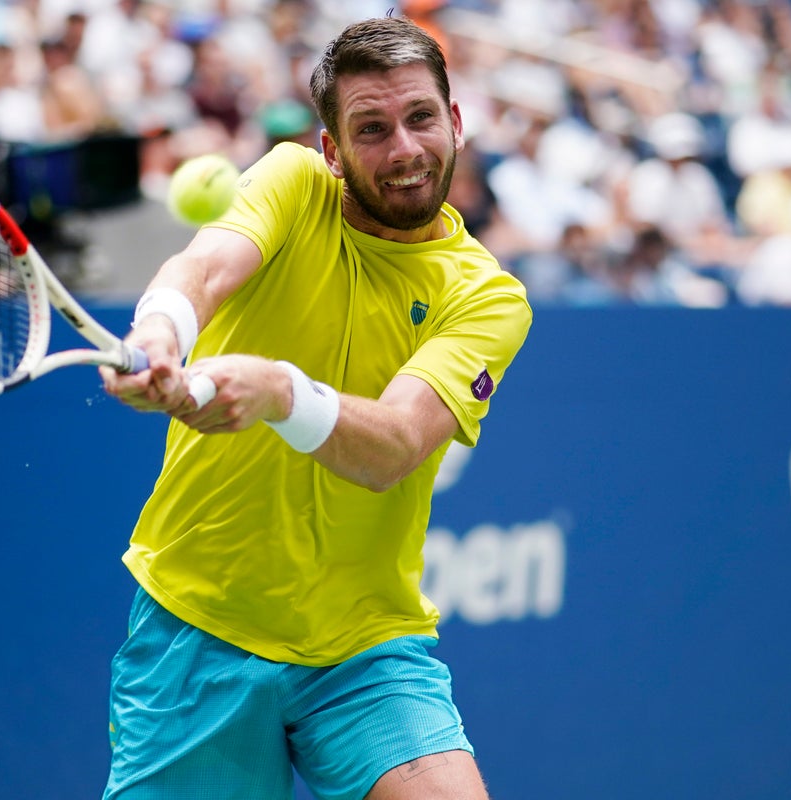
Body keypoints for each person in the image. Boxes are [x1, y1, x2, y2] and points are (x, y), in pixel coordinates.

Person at [99, 16, 531, 800]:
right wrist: (160, 333)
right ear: (331, 151)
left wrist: (277, 391)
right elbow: (205, 268)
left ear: (455, 121)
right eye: (372, 129)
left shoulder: (487, 297)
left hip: (364, 648)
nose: (405, 148)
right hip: (198, 626)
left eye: (421, 118)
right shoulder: (293, 182)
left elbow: (396, 444)